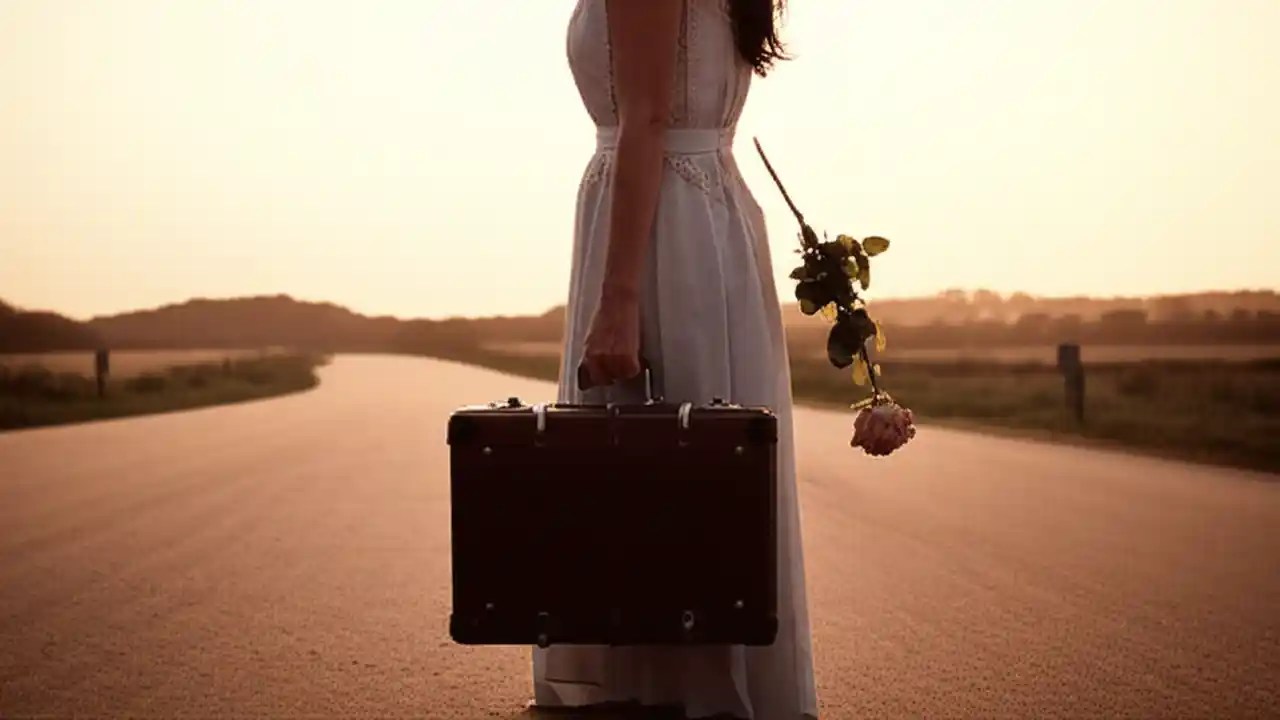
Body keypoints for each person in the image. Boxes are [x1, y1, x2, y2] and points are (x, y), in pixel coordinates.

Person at [536, 0, 818, 717]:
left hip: (660, 223)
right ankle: (690, 690)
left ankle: (671, 693)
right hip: (699, 210)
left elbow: (648, 120)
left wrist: (621, 298)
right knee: (691, 467)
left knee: (658, 461)